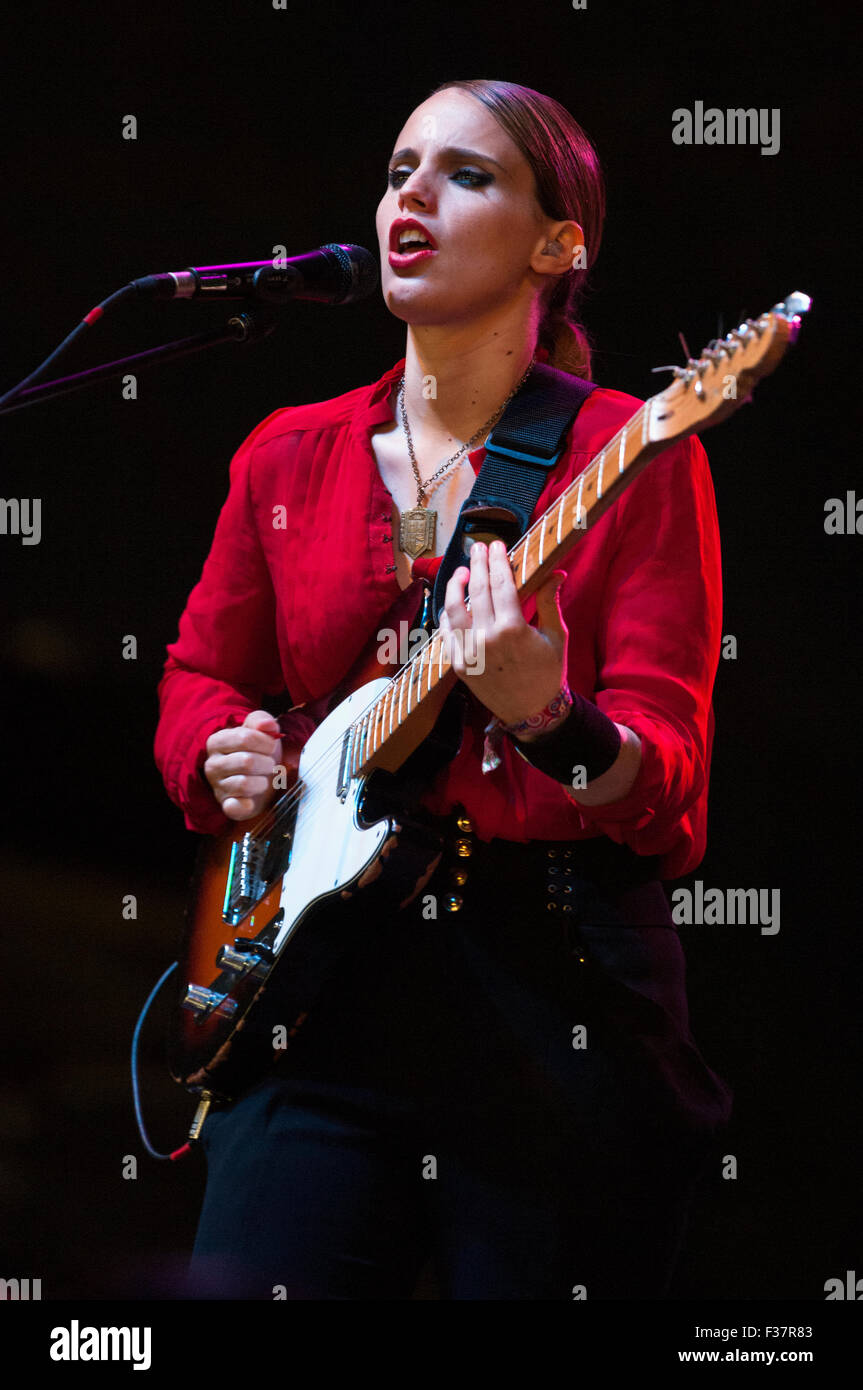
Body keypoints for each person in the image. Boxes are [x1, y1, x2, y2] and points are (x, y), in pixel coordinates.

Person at [154, 77, 733, 1300]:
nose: (408, 193)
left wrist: (546, 715)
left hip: (555, 995)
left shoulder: (632, 452)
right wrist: (222, 751)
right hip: (317, 990)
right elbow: (204, 670)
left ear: (554, 244)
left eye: (464, 174)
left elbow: (663, 788)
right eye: (399, 166)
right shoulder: (287, 450)